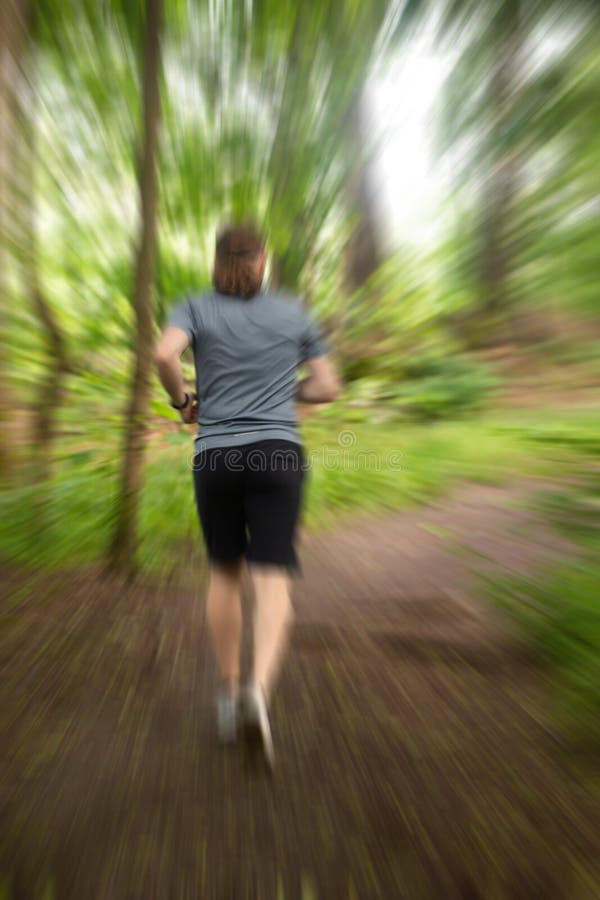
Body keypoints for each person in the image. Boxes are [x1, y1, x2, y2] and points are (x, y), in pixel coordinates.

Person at [154, 223, 340, 767]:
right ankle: (260, 692)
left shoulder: (193, 305)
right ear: (265, 258)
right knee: (273, 576)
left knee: (225, 573)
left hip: (217, 456)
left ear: (217, 260)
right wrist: (288, 389)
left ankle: (230, 692)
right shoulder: (294, 310)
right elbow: (328, 386)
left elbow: (164, 356)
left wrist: (184, 401)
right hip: (279, 453)